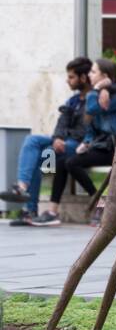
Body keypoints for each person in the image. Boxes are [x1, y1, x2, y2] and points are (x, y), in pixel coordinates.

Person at [1, 57, 94, 226]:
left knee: (42, 155)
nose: (68, 80)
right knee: (32, 142)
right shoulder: (73, 101)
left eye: (71, 77)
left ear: (83, 77)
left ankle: (27, 202)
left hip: (81, 147)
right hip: (63, 144)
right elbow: (61, 122)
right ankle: (26, 198)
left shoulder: (94, 99)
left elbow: (87, 130)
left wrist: (62, 141)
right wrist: (57, 138)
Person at [64, 58, 116, 226]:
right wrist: (86, 142)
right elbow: (92, 127)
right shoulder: (101, 95)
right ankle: (100, 199)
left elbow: (92, 109)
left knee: (72, 163)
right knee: (69, 162)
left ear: (105, 76)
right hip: (101, 146)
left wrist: (97, 89)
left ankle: (99, 202)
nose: (89, 75)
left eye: (93, 72)